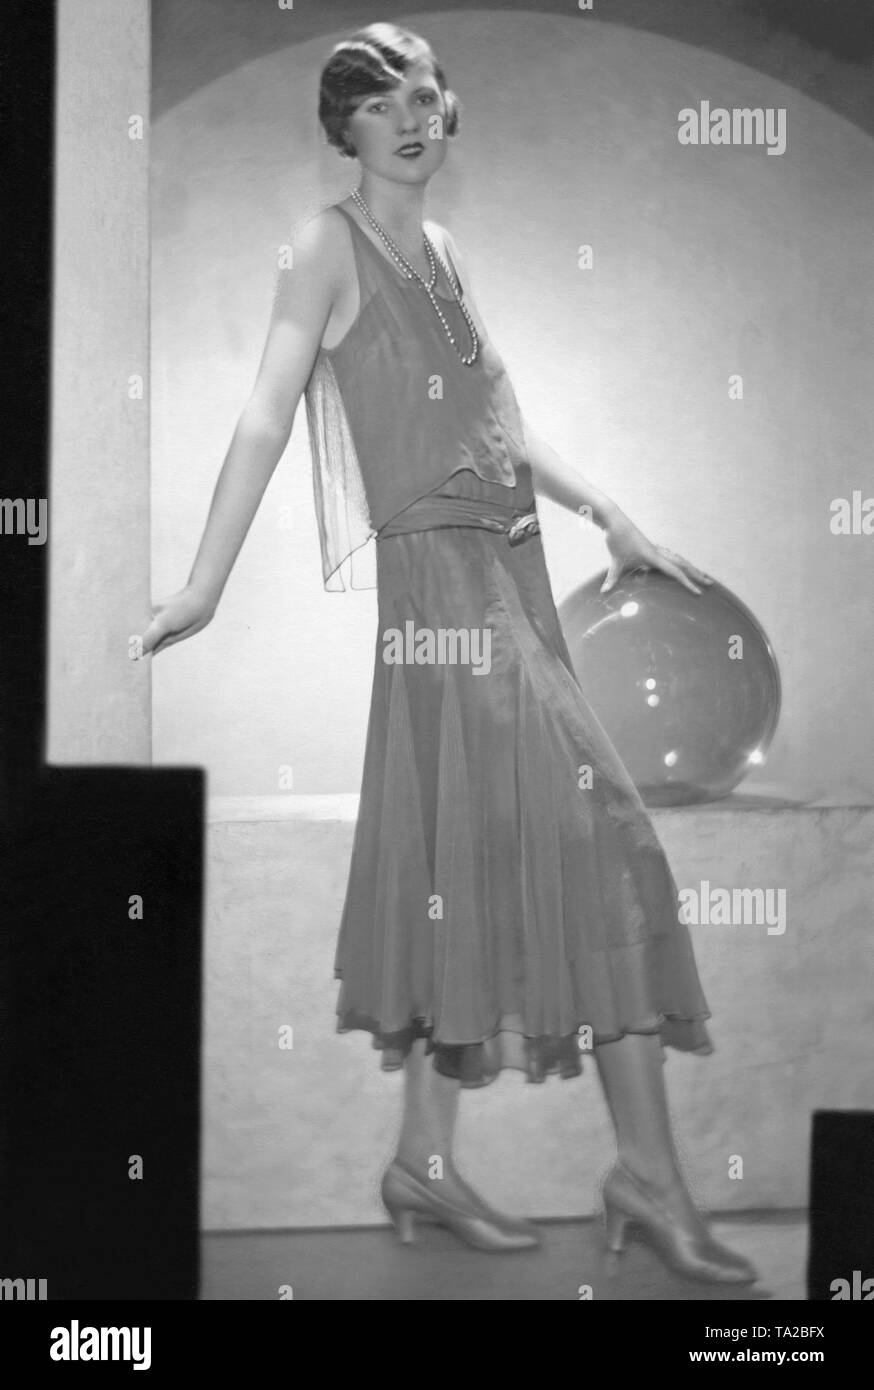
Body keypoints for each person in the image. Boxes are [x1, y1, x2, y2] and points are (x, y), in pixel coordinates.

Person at [142, 22, 758, 1285]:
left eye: (424, 95)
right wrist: (202, 581)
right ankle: (648, 1182)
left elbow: (500, 420)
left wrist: (613, 512)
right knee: (614, 847)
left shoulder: (446, 250)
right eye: (382, 106)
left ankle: (423, 1162)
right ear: (346, 133)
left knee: (465, 864)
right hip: (443, 591)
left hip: (515, 570)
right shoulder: (329, 244)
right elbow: (267, 409)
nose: (414, 118)